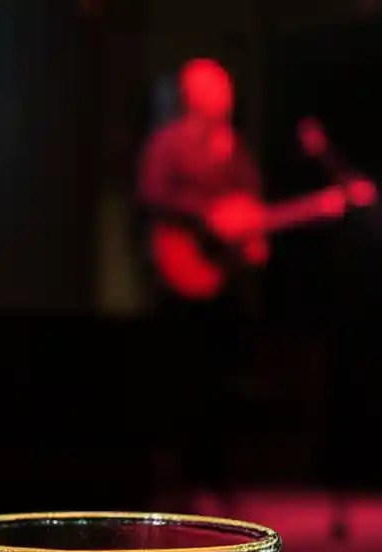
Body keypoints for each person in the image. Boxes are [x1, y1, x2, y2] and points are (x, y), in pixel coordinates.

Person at [135, 58, 266, 507]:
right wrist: (205, 218)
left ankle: (221, 479)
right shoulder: (167, 144)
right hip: (179, 283)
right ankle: (184, 484)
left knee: (224, 381)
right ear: (192, 96)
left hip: (224, 284)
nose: (225, 98)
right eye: (216, 89)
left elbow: (249, 205)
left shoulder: (235, 148)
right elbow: (151, 196)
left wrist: (251, 235)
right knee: (182, 382)